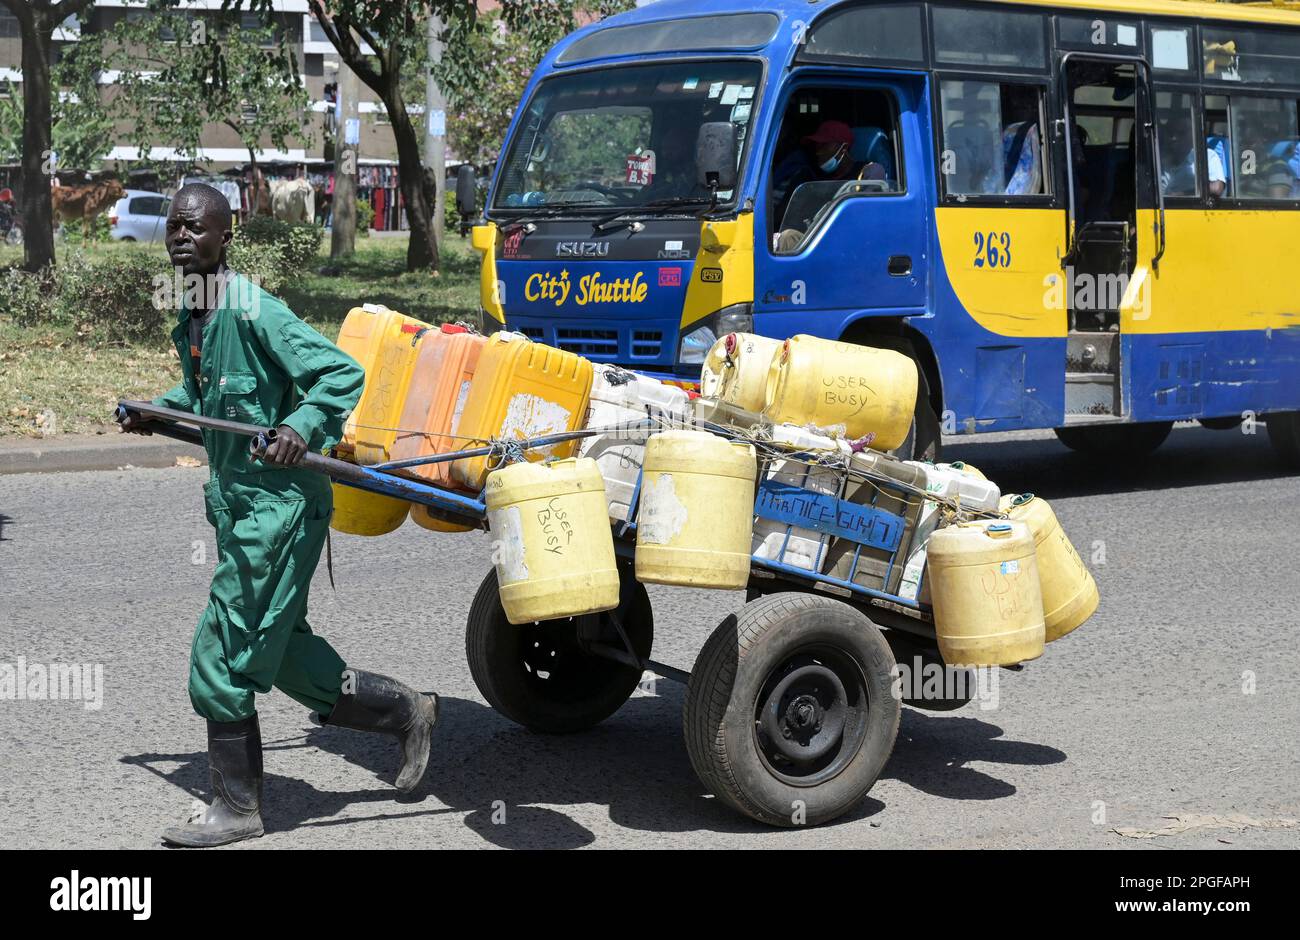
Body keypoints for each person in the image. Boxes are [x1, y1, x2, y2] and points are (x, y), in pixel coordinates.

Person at [121, 183, 439, 848]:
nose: (182, 238)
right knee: (290, 658)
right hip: (241, 513)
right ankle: (409, 711)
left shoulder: (251, 308)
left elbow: (338, 374)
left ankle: (237, 809)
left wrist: (300, 426)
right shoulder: (197, 314)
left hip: (279, 514)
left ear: (225, 236)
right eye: (174, 228)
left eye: (196, 228)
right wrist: (158, 410)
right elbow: (203, 396)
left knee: (222, 654)